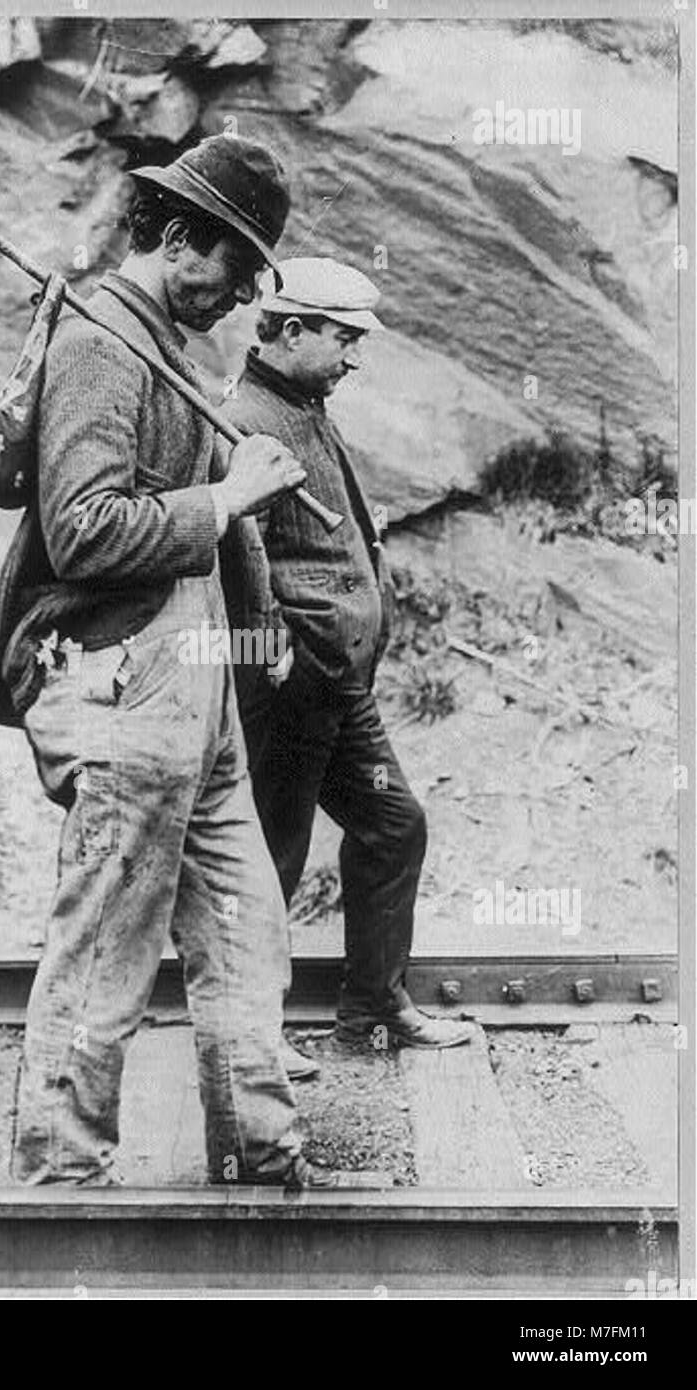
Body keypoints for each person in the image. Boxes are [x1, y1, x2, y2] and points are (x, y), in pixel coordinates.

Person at [0, 138, 337, 1188]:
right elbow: (82, 529)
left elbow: (222, 517)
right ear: (178, 239)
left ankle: (261, 1153)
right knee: (106, 951)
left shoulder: (168, 339)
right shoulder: (100, 341)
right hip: (120, 674)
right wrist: (226, 500)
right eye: (237, 270)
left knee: (248, 929)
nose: (243, 299)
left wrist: (255, 628)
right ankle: (62, 1180)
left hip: (193, 672)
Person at [222, 257, 475, 1053]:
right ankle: (248, 1049)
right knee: (272, 866)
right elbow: (237, 559)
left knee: (393, 828)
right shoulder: (243, 419)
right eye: (344, 337)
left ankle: (371, 1010)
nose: (354, 356)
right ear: (290, 331)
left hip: (336, 682)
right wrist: (279, 656)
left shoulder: (302, 402)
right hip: (292, 689)